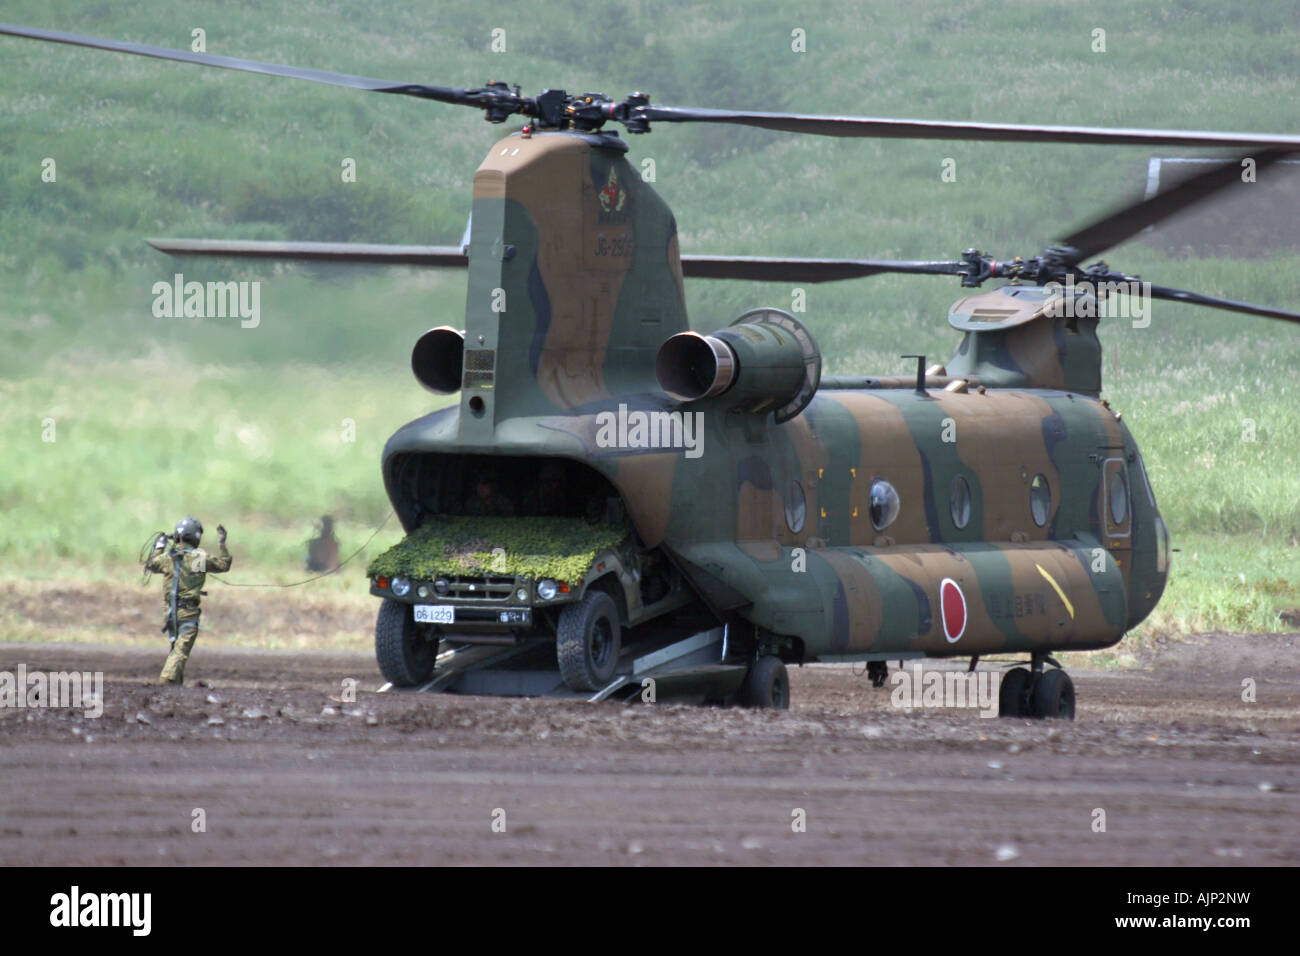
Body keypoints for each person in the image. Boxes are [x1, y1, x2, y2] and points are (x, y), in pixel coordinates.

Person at [147, 517, 232, 685]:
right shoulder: (198, 558)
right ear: (196, 537)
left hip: (170, 613)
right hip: (188, 613)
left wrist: (159, 546)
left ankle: (175, 684)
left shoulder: (167, 557)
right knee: (180, 651)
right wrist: (222, 544)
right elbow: (224, 565)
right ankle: (166, 681)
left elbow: (151, 564)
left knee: (175, 649)